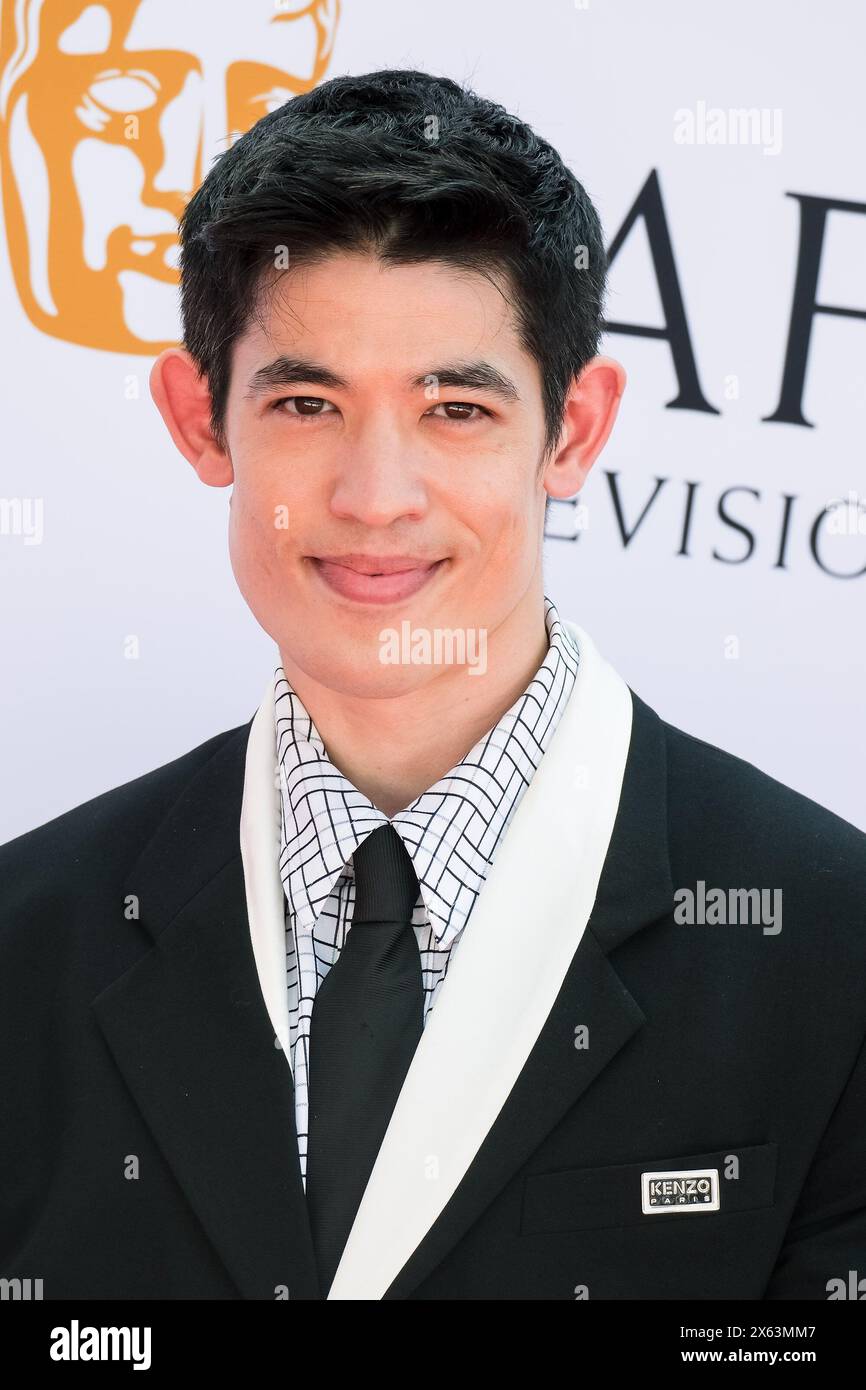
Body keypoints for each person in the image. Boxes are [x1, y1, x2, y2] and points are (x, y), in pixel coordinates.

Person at [2, 69, 864, 1302]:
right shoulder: (26, 941)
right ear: (200, 420)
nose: (374, 495)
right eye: (306, 401)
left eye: (455, 406)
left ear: (572, 431)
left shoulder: (832, 949)